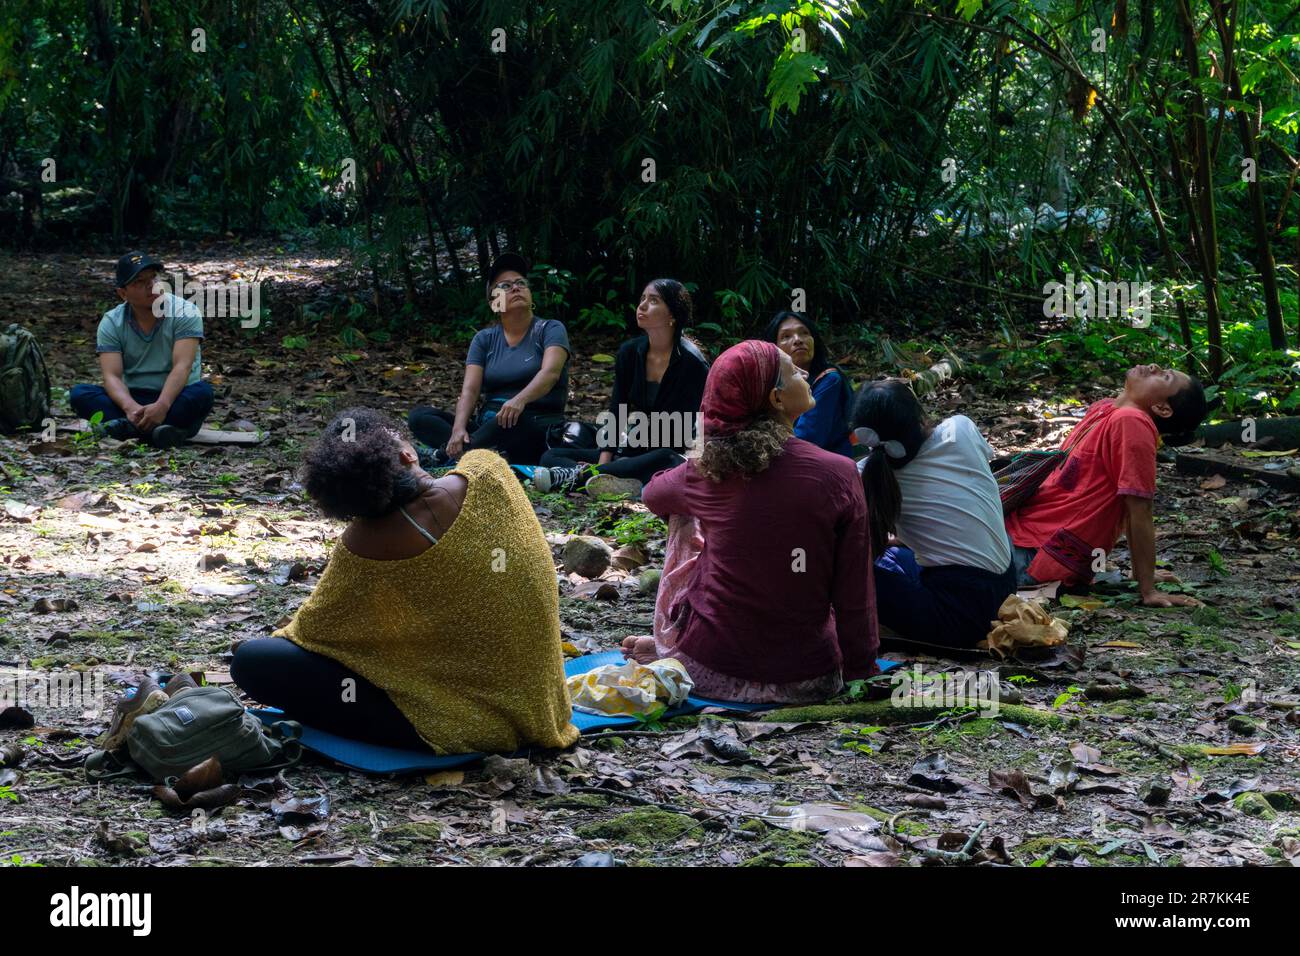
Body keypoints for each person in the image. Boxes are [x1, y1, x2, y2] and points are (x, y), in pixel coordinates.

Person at [231, 408, 578, 754]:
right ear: (407, 454)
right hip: (543, 707)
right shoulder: (488, 470)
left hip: (454, 726)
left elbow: (312, 635)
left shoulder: (361, 543)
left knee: (254, 661)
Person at [621, 340, 878, 703]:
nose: (805, 374)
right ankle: (674, 644)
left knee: (686, 517)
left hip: (708, 671)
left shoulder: (705, 472)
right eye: (793, 371)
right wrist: (861, 670)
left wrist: (703, 472)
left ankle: (674, 642)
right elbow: (855, 592)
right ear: (775, 400)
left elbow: (653, 494)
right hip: (805, 681)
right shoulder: (839, 472)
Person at [1005, 364, 1209, 607]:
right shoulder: (1106, 409)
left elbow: (1139, 509)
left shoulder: (1132, 421)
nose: (1154, 367)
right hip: (1016, 535)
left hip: (1033, 555)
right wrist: (1141, 573)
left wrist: (1148, 590)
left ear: (1162, 408)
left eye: (1164, 377)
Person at [852, 379, 1015, 648]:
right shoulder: (961, 430)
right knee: (898, 555)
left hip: (958, 619)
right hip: (1006, 590)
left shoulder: (866, 473)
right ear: (920, 417)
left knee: (853, 571)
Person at [533, 278, 709, 498]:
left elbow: (686, 431)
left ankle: (580, 477)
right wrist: (606, 457)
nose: (642, 306)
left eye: (653, 301)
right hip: (633, 445)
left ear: (673, 315)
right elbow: (618, 410)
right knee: (551, 456)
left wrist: (629, 456)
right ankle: (610, 477)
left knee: (665, 457)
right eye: (642, 299)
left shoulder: (692, 364)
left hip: (672, 452)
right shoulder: (629, 352)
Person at [408, 253, 570, 465]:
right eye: (504, 286)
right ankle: (476, 451)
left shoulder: (550, 329)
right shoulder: (484, 339)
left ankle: (445, 455)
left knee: (510, 420)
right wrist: (458, 428)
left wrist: (519, 400)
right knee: (419, 417)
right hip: (488, 426)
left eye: (521, 283)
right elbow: (470, 391)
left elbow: (550, 373)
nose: (515, 288)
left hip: (532, 425)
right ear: (494, 303)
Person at [69, 251, 214, 449]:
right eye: (139, 282)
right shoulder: (112, 321)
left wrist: (162, 406)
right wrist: (131, 408)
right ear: (123, 293)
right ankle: (162, 432)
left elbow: (183, 366)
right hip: (133, 397)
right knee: (80, 394)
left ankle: (128, 429)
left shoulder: (185, 312)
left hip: (175, 396)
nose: (151, 285)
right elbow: (112, 376)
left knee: (203, 393)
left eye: (153, 277)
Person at [764, 310, 854, 456]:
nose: (798, 340)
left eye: (804, 333)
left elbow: (807, 439)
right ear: (773, 348)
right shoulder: (770, 385)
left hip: (828, 465)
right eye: (786, 336)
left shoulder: (829, 380)